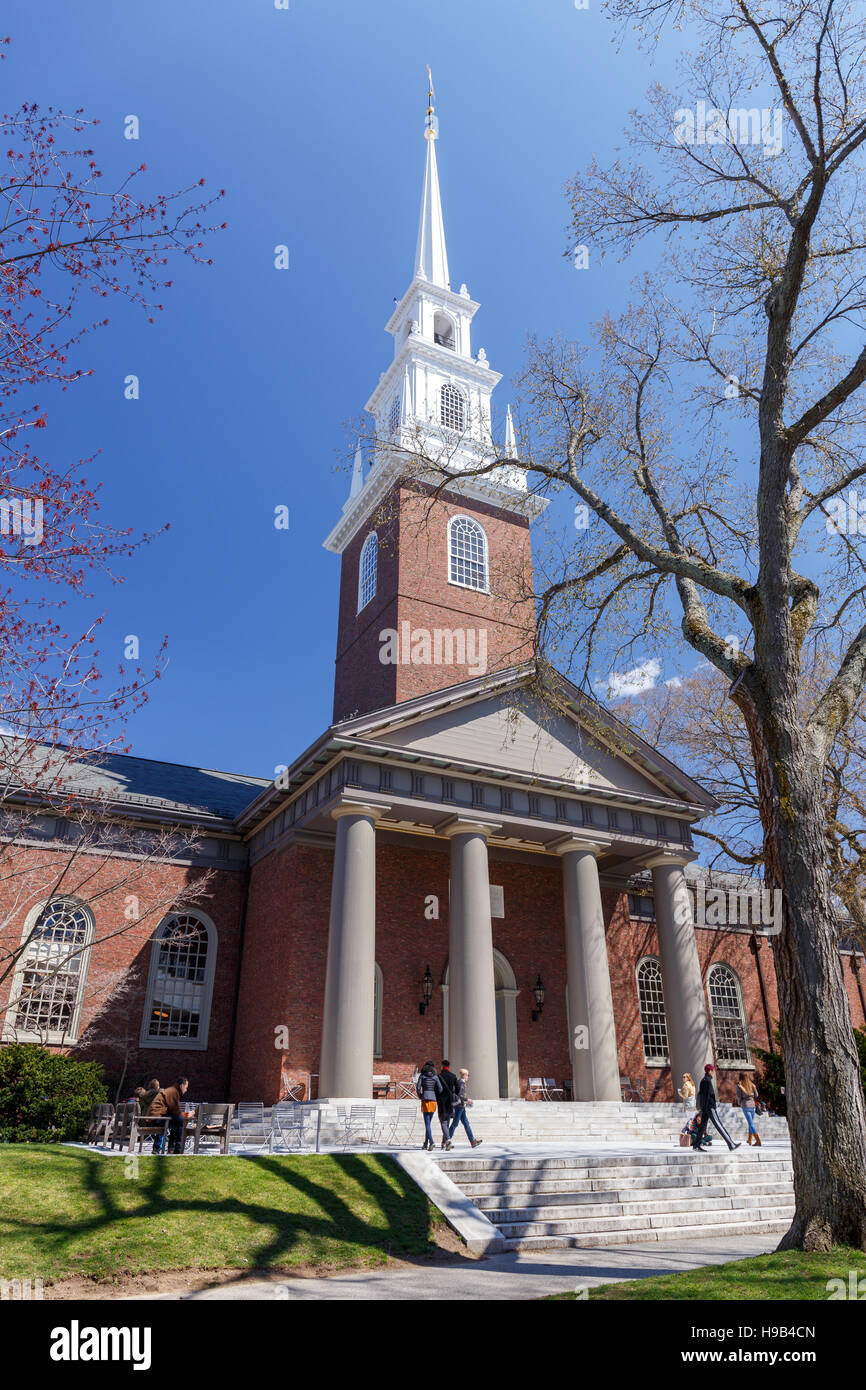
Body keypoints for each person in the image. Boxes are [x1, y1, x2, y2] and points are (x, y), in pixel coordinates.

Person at [693, 1064, 741, 1152]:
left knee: (702, 1127)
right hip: (709, 1107)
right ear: (709, 1071)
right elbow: (707, 1096)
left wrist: (703, 1108)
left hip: (705, 1108)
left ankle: (696, 1145)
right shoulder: (707, 1081)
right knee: (719, 1125)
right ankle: (731, 1144)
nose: (713, 1072)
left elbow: (703, 1096)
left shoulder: (704, 1080)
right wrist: (709, 1107)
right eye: (713, 1070)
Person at [146, 1076, 190, 1155]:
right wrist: (187, 1114)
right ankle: (177, 1148)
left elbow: (172, 1110)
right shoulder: (173, 1092)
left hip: (154, 1116)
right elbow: (175, 1110)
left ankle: (171, 1148)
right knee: (180, 1121)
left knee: (176, 1121)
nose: (186, 1090)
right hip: (155, 1118)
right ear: (182, 1086)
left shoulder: (171, 1090)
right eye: (186, 1087)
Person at [449, 1067, 482, 1148]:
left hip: (461, 1106)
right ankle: (447, 1140)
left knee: (466, 1123)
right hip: (459, 1106)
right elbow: (460, 1095)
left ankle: (472, 1141)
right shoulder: (460, 1083)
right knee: (455, 1124)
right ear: (464, 1075)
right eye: (468, 1075)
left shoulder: (460, 1082)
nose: (468, 1077)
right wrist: (468, 1099)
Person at [416, 1061, 443, 1152]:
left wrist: (420, 1095)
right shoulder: (435, 1077)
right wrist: (435, 1095)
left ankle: (431, 1142)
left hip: (425, 1099)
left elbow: (418, 1087)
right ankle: (425, 1143)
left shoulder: (422, 1076)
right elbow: (440, 1089)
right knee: (428, 1123)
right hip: (433, 1100)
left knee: (427, 1123)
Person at [437, 1059, 459, 1150]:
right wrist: (454, 1095)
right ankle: (443, 1143)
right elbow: (457, 1089)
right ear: (449, 1066)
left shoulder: (439, 1076)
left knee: (443, 1122)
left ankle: (448, 1140)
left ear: (442, 1066)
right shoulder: (453, 1076)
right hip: (450, 1102)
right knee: (447, 1122)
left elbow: (436, 1089)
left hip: (441, 1102)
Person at [736, 1072, 762, 1146]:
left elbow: (739, 1096)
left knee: (751, 1124)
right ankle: (750, 1140)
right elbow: (756, 1095)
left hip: (745, 1106)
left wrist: (740, 1103)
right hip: (753, 1106)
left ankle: (758, 1140)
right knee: (751, 1124)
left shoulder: (740, 1086)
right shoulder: (752, 1085)